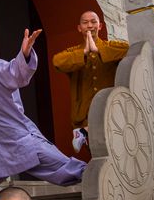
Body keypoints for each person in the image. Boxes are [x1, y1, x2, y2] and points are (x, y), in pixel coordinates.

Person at [0, 30, 86, 189]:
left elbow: (15, 71)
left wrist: (25, 54)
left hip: (22, 142)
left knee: (71, 170)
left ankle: (106, 178)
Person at [52, 11, 129, 152]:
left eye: (93, 22)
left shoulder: (110, 46)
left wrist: (97, 50)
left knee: (117, 151)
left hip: (111, 108)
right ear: (79, 28)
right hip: (84, 112)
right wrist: (84, 52)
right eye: (85, 22)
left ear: (100, 26)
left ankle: (84, 131)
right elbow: (57, 62)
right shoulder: (73, 51)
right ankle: (85, 130)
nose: (89, 26)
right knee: (98, 153)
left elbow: (128, 50)